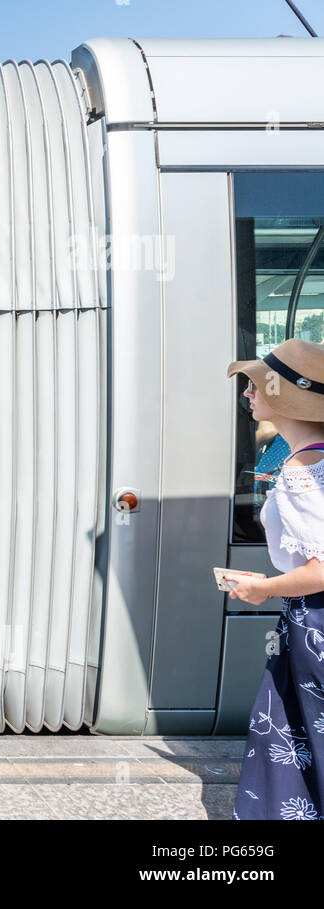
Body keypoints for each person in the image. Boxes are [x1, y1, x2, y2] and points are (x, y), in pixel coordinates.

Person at [225, 338, 324, 819]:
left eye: (254, 385)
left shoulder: (302, 470)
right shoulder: (305, 456)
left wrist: (260, 588)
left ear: (284, 395)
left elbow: (321, 570)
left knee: (295, 733)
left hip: (316, 625)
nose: (246, 393)